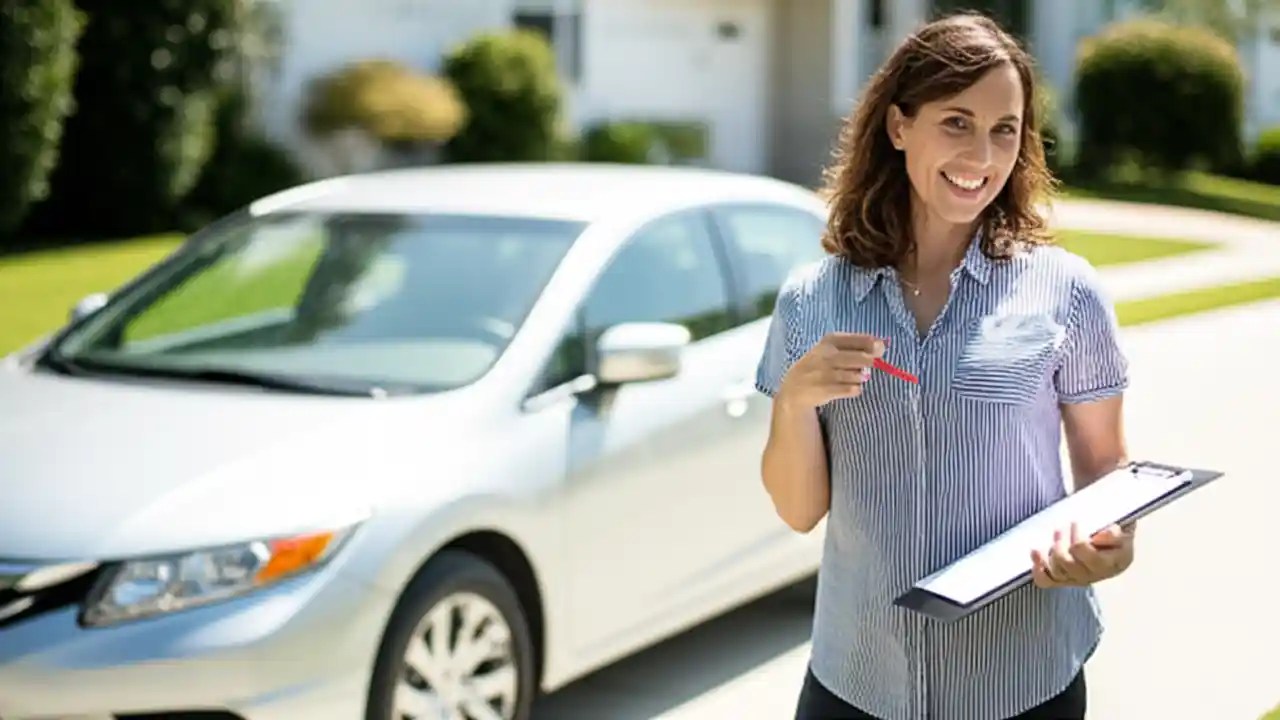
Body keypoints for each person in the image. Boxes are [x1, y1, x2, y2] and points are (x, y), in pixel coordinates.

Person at [756, 13, 1134, 720]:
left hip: (1022, 682)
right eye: (956, 122)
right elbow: (799, 510)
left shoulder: (1066, 290)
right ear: (899, 126)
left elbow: (1105, 467)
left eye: (1004, 129)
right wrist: (793, 401)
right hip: (857, 682)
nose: (981, 155)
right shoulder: (813, 301)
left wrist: (1113, 547)